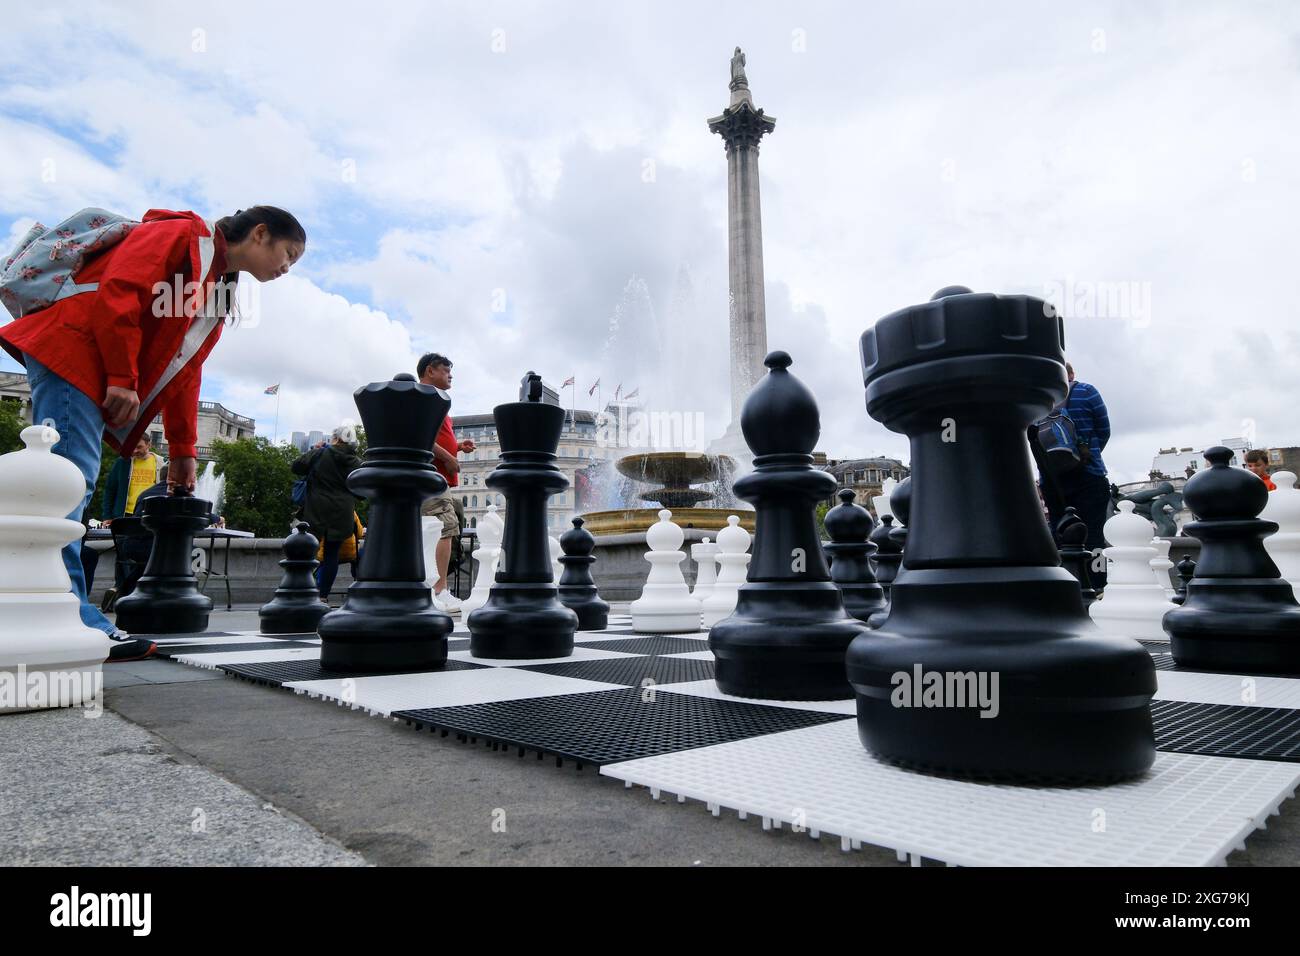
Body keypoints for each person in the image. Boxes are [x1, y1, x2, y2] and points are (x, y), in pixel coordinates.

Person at [0, 206, 306, 661]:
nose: (286, 268)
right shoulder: (181, 233)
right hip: (75, 349)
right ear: (260, 234)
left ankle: (53, 609)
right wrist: (122, 376)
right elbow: (120, 290)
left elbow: (186, 368)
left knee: (61, 485)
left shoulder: (218, 285)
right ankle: (70, 619)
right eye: (288, 253)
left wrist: (184, 450)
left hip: (91, 360)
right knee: (67, 487)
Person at [1040, 362, 1112, 589]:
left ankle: (1065, 584)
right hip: (1089, 472)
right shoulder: (1086, 391)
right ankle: (1098, 582)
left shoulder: (1039, 399)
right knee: (1095, 534)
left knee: (1059, 531)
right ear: (1071, 375)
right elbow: (1104, 429)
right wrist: (1088, 451)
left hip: (1053, 477)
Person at [416, 352, 474, 611]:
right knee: (445, 527)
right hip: (432, 478)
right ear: (430, 370)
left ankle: (437, 587)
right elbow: (421, 437)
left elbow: (435, 437)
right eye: (446, 370)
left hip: (437, 478)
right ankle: (439, 590)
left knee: (445, 526)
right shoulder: (424, 398)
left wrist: (457, 447)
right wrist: (449, 457)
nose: (450, 375)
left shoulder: (435, 400)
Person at [293, 425, 362, 601]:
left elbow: (297, 467)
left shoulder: (320, 453)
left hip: (316, 510)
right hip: (342, 513)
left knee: (306, 550)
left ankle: (300, 589)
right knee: (332, 555)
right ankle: (323, 595)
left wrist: (313, 450)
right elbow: (362, 493)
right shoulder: (356, 462)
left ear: (336, 438)